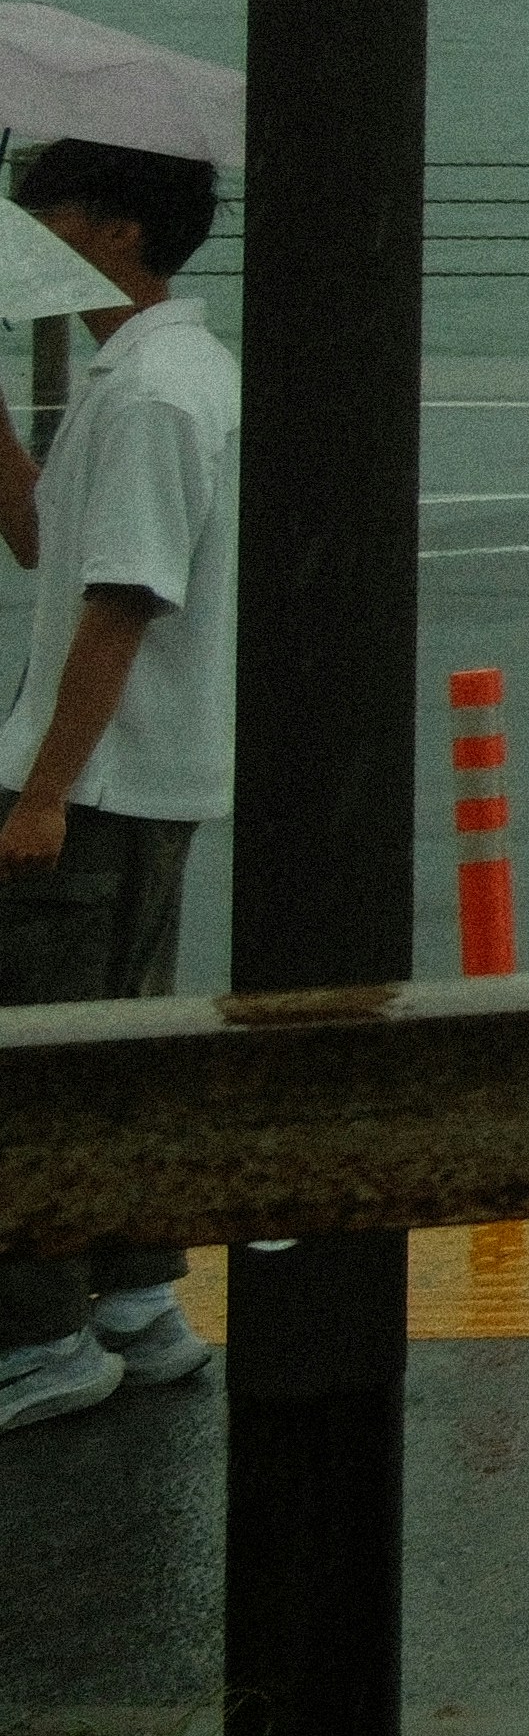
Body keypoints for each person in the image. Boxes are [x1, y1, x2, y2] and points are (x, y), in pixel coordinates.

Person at [0, 130, 233, 1434]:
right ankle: (137, 1309)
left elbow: (125, 599)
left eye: (43, 208)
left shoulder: (150, 396)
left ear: (121, 229)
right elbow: (51, 540)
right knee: (120, 1053)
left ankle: (39, 1342)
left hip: (96, 786)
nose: (23, 229)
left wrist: (41, 792)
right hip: (139, 782)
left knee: (34, 1065)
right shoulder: (148, 372)